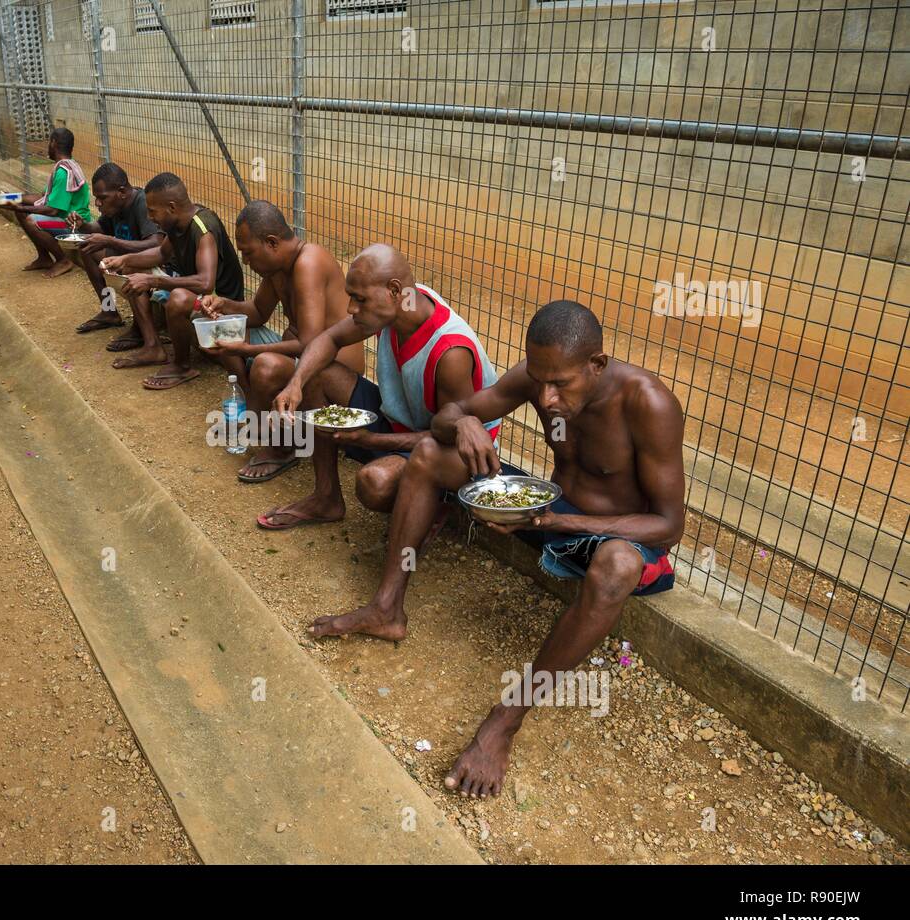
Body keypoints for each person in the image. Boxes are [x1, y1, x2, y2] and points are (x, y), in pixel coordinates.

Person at [371, 300, 684, 799]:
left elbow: (668, 526)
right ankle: (386, 608)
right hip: (549, 510)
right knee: (432, 454)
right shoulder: (539, 377)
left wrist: (556, 519)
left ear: (597, 365)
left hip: (613, 536)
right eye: (539, 381)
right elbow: (446, 418)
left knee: (618, 563)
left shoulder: (648, 403)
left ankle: (506, 719)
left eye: (560, 384)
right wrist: (464, 424)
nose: (547, 396)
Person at [260, 243, 500, 529]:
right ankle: (326, 498)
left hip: (447, 450)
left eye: (359, 299)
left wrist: (369, 441)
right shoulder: (396, 306)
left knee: (374, 484)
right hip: (401, 422)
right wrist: (295, 383)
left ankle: (439, 506)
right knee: (316, 374)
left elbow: (447, 437)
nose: (351, 308)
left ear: (395, 291)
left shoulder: (450, 354)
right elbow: (329, 339)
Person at [196, 200, 363, 482]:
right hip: (303, 358)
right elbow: (259, 313)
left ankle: (282, 448)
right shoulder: (277, 268)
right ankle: (257, 413)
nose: (246, 262)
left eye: (248, 253)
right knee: (226, 330)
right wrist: (223, 304)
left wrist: (248, 349)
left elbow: (310, 342)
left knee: (266, 365)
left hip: (333, 375)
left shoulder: (308, 263)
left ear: (272, 242)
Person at [98, 172, 245, 387]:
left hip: (220, 313)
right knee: (131, 269)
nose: (149, 217)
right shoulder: (177, 223)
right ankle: (152, 346)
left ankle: (182, 366)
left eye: (152, 211)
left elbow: (206, 283)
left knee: (177, 298)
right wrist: (124, 259)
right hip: (202, 300)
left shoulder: (203, 229)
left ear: (172, 207)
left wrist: (153, 282)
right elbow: (161, 254)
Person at [71, 164, 164, 336]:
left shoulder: (141, 204)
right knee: (87, 248)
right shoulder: (115, 205)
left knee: (130, 265)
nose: (98, 203)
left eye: (102, 198)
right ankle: (109, 311)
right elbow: (98, 228)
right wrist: (83, 225)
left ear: (121, 192)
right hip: (130, 259)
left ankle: (142, 330)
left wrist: (111, 241)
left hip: (155, 267)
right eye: (96, 198)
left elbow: (156, 245)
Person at [4, 128, 92, 277]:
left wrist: (20, 207)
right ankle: (44, 258)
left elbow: (52, 210)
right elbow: (42, 197)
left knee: (31, 219)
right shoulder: (65, 166)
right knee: (22, 213)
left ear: (53, 143)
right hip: (64, 219)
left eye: (49, 143)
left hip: (74, 225)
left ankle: (63, 260)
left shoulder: (64, 172)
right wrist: (12, 198)